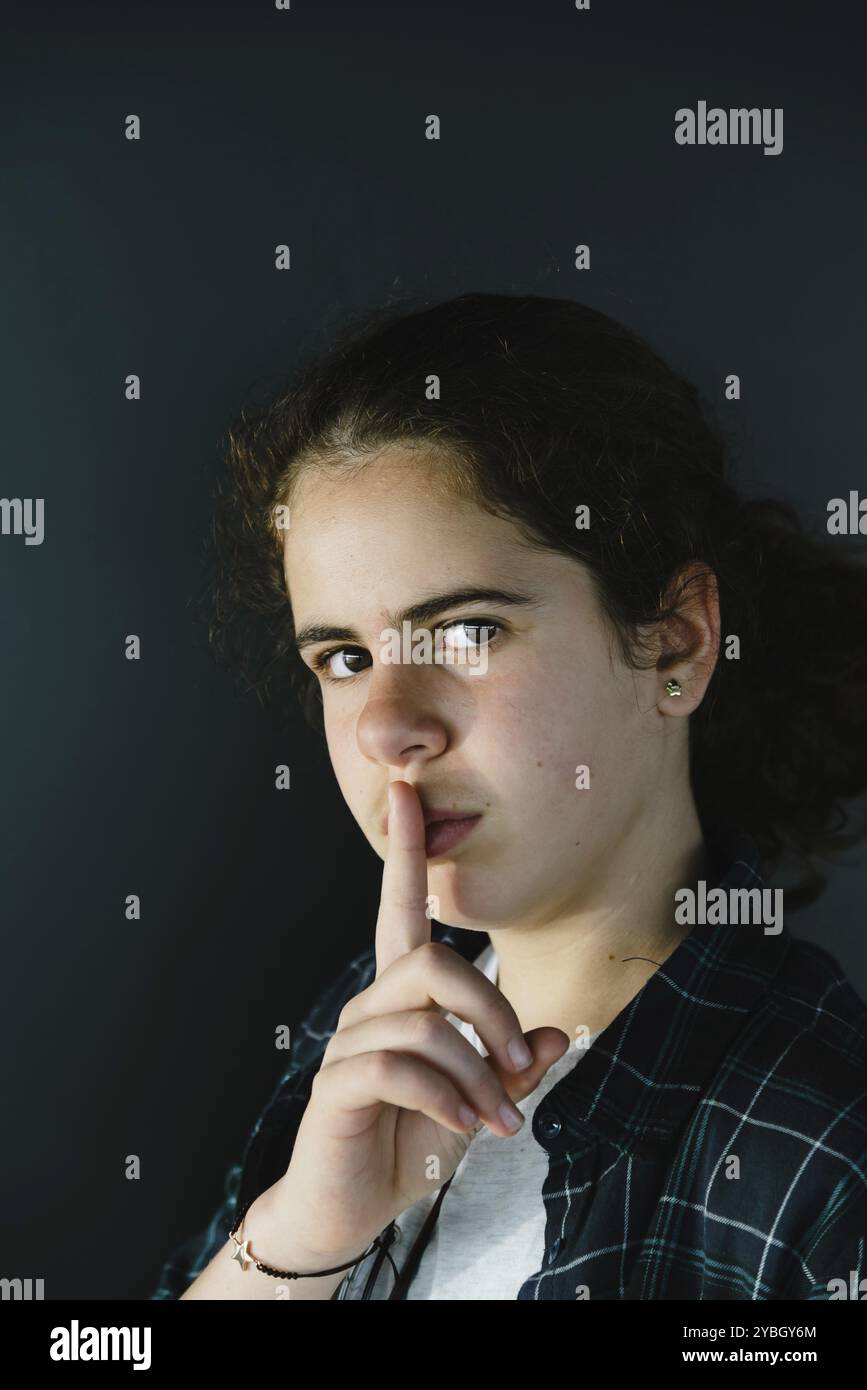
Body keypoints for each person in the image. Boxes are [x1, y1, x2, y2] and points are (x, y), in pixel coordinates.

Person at [151, 291, 867, 1301]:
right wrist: (300, 1240)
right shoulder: (349, 1044)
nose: (386, 727)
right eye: (345, 655)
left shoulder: (819, 1160)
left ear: (677, 642)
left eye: (468, 631)